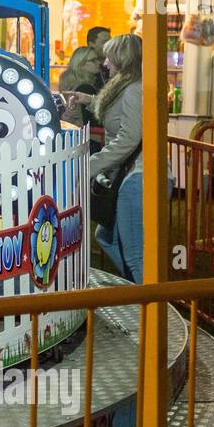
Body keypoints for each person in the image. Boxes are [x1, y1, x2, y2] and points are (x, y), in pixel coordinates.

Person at [90, 34, 144, 283]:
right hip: (131, 176)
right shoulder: (129, 88)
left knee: (135, 255)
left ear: (121, 59)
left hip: (137, 178)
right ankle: (139, 295)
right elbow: (119, 114)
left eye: (110, 57)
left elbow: (128, 138)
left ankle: (152, 311)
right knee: (106, 236)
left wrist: (91, 165)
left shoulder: (134, 90)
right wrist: (88, 100)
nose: (105, 64)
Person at [58, 45, 103, 127]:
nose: (98, 63)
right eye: (93, 60)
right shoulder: (85, 88)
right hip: (83, 134)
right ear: (80, 64)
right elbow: (94, 122)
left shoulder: (69, 82)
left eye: (97, 59)